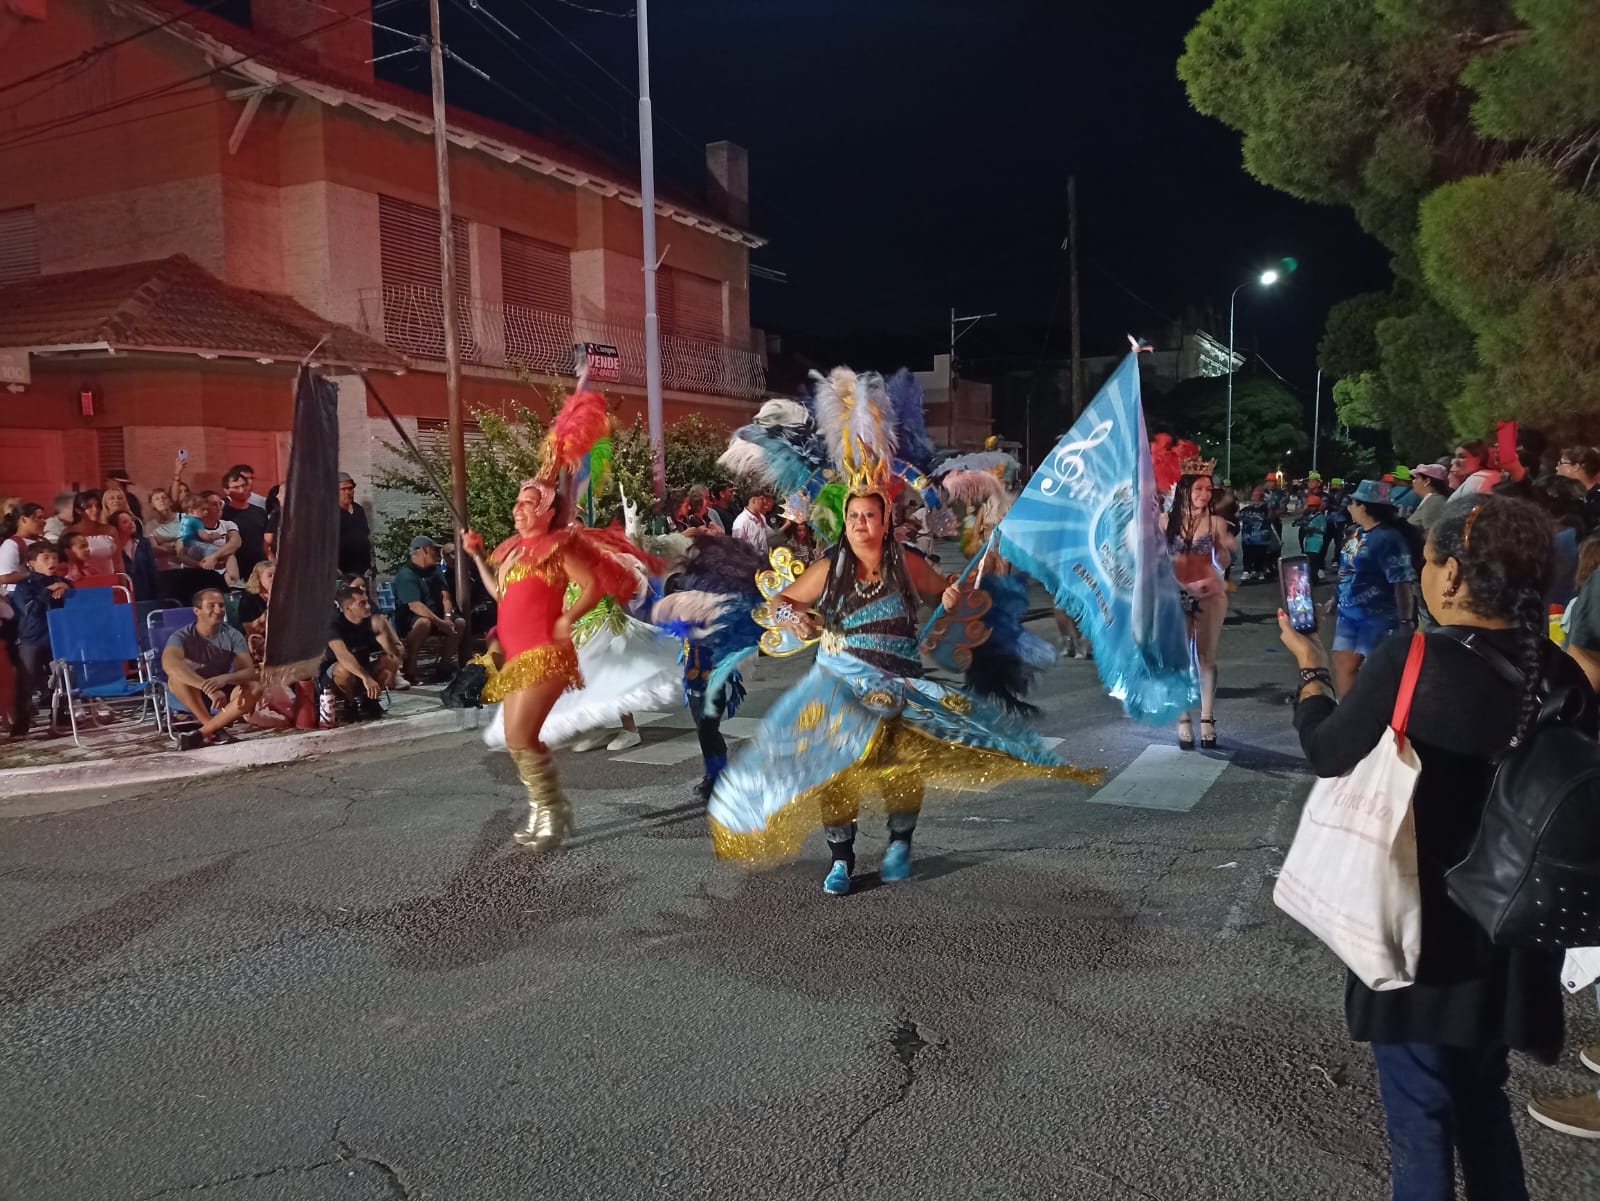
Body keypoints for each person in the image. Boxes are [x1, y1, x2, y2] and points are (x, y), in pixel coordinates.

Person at [1281, 494, 1595, 1201]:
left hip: (1415, 929)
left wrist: (1308, 671)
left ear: (1453, 576)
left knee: (1420, 1117)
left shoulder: (1413, 656)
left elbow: (1328, 750)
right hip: (1513, 934)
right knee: (1485, 1102)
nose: (1425, 575)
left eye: (1429, 561)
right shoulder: (1564, 672)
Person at [705, 367, 1092, 893]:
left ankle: (899, 841)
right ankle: (840, 858)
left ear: (886, 520)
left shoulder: (906, 562)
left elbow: (941, 589)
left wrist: (954, 592)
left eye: (870, 516)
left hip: (900, 681)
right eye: (854, 517)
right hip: (839, 682)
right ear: (844, 521)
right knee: (834, 770)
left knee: (899, 768)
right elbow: (781, 597)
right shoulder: (828, 566)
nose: (862, 524)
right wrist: (794, 614)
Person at [466, 388, 636, 852]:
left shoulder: (558, 548)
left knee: (519, 733)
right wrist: (479, 556)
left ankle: (553, 808)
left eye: (527, 503)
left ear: (544, 509)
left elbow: (595, 585)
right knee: (516, 737)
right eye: (517, 503)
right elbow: (501, 594)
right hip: (517, 654)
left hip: (546, 650)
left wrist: (568, 618)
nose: (518, 509)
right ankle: (547, 809)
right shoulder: (511, 550)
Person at [1167, 467, 1235, 750]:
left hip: (1208, 593)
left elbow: (1224, 560)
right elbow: (1152, 558)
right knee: (1179, 659)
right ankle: (1183, 719)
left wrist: (1224, 552)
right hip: (1174, 594)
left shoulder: (1217, 523)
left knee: (1205, 658)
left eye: (1208, 490)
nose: (1205, 495)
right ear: (1184, 490)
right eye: (1199, 489)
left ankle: (1207, 718)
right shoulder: (1164, 521)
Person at [1331, 480, 1418, 697]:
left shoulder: (1390, 539)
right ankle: (1348, 715)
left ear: (1364, 506)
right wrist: (1333, 601)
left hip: (1377, 616)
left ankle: (1378, 719)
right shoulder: (1355, 534)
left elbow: (1401, 582)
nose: (1348, 506)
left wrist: (1406, 620)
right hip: (1348, 615)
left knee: (1379, 673)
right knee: (1343, 665)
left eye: (1352, 502)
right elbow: (1346, 571)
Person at [161, 588, 260, 750]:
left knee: (255, 687)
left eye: (221, 605)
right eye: (211, 605)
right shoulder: (181, 637)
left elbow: (248, 671)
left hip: (221, 688)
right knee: (176, 678)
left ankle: (203, 733)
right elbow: (170, 665)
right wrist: (207, 688)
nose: (218, 610)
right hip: (192, 693)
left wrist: (224, 679)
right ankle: (214, 729)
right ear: (197, 611)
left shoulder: (232, 635)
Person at [7, 540, 71, 737]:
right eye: (45, 558)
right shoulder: (23, 586)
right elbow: (30, 611)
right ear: (32, 563)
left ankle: (60, 718)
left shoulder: (62, 581)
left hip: (57, 637)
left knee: (61, 678)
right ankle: (21, 726)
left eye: (54, 557)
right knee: (26, 682)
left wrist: (66, 586)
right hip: (32, 638)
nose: (52, 561)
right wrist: (48, 591)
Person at [320, 579, 402, 723]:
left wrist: (385, 630)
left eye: (367, 601)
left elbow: (393, 653)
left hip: (363, 670)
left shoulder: (369, 623)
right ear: (347, 608)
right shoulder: (334, 626)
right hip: (335, 679)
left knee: (390, 661)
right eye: (362, 603)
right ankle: (350, 704)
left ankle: (370, 700)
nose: (368, 606)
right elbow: (343, 656)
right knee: (344, 669)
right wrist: (367, 678)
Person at [391, 535, 464, 686]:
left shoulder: (435, 570)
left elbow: (445, 595)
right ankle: (410, 668)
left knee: (460, 623)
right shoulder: (406, 574)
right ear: (423, 550)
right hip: (411, 619)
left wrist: (448, 617)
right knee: (423, 623)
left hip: (437, 614)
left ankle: (444, 667)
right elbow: (414, 605)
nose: (437, 554)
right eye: (434, 550)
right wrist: (439, 622)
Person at [221, 468, 268, 580]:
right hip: (236, 567)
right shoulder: (223, 514)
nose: (242, 490)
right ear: (226, 490)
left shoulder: (259, 512)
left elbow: (266, 541)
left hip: (259, 566)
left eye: (244, 486)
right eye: (236, 487)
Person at [67, 490, 121, 577]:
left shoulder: (110, 530)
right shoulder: (69, 533)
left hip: (110, 579)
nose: (95, 510)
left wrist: (122, 583)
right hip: (84, 581)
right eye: (89, 507)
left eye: (97, 506)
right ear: (78, 510)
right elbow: (68, 562)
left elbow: (118, 561)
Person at [337, 472, 375, 578]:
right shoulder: (329, 514)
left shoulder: (358, 510)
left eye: (350, 489)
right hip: (342, 573)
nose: (348, 492)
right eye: (344, 489)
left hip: (363, 572)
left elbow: (367, 536)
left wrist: (372, 563)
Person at [1555, 446, 1600, 532]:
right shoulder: (1570, 497)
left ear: (1576, 466)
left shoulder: (1596, 499)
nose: (1557, 468)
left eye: (1561, 463)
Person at [1406, 463, 1450, 534]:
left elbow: (1432, 535)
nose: (1413, 481)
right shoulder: (1430, 500)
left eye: (1416, 478)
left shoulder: (1435, 502)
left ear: (1427, 481)